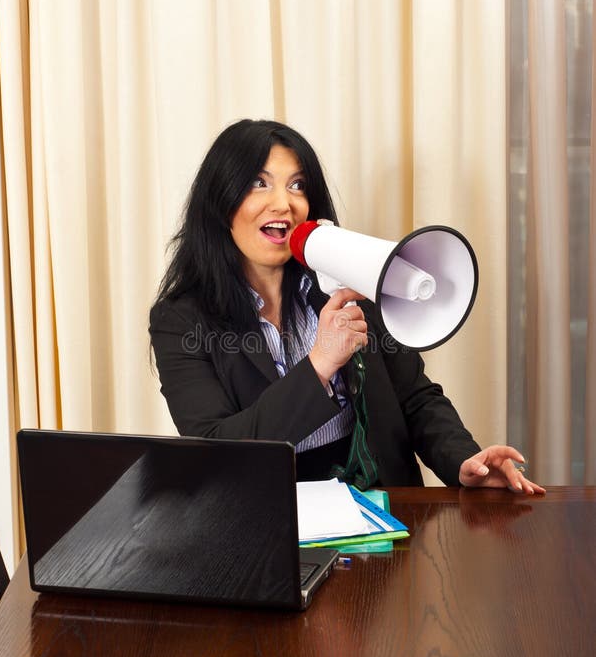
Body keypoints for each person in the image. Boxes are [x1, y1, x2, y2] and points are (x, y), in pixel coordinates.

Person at [149, 119, 545, 495]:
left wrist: (464, 462)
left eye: (297, 185)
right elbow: (218, 449)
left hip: (379, 504)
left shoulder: (348, 281)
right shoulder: (181, 320)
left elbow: (415, 398)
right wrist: (320, 363)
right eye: (259, 183)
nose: (283, 203)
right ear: (221, 202)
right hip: (269, 510)